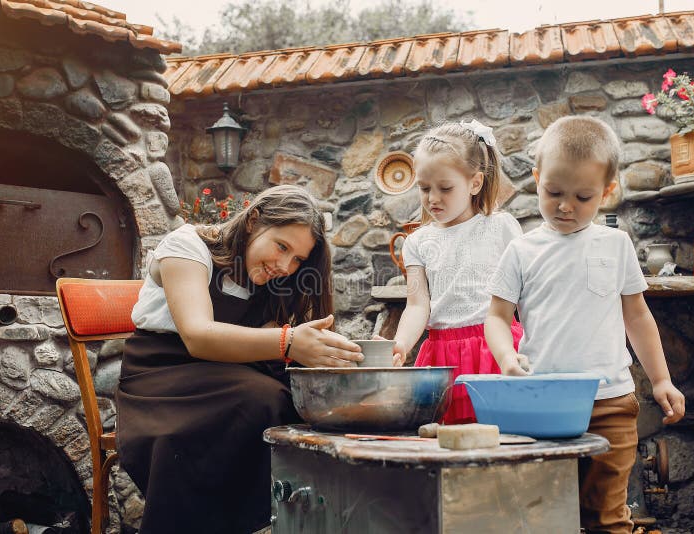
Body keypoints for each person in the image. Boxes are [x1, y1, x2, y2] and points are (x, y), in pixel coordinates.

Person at [116, 184, 363, 534]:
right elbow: (198, 335)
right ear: (253, 221)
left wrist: (343, 356)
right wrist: (289, 341)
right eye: (281, 246)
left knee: (302, 404)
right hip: (161, 379)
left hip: (225, 377)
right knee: (261, 400)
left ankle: (306, 520)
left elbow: (268, 346)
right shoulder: (186, 246)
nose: (285, 265)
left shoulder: (266, 279)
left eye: (297, 260)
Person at [484, 116, 685, 534]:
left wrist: (661, 380)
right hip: (542, 404)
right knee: (541, 515)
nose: (564, 206)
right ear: (537, 179)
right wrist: (505, 356)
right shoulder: (521, 250)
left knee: (606, 518)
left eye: (582, 196)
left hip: (610, 403)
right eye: (553, 192)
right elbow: (497, 318)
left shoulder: (617, 245)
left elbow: (637, 316)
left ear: (607, 193)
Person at [391, 120, 524, 425]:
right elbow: (417, 304)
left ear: (475, 183)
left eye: (445, 188)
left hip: (496, 346)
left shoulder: (501, 227)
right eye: (424, 188)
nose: (432, 198)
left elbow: (524, 294)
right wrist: (400, 343)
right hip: (442, 357)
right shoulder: (417, 242)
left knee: (505, 436)